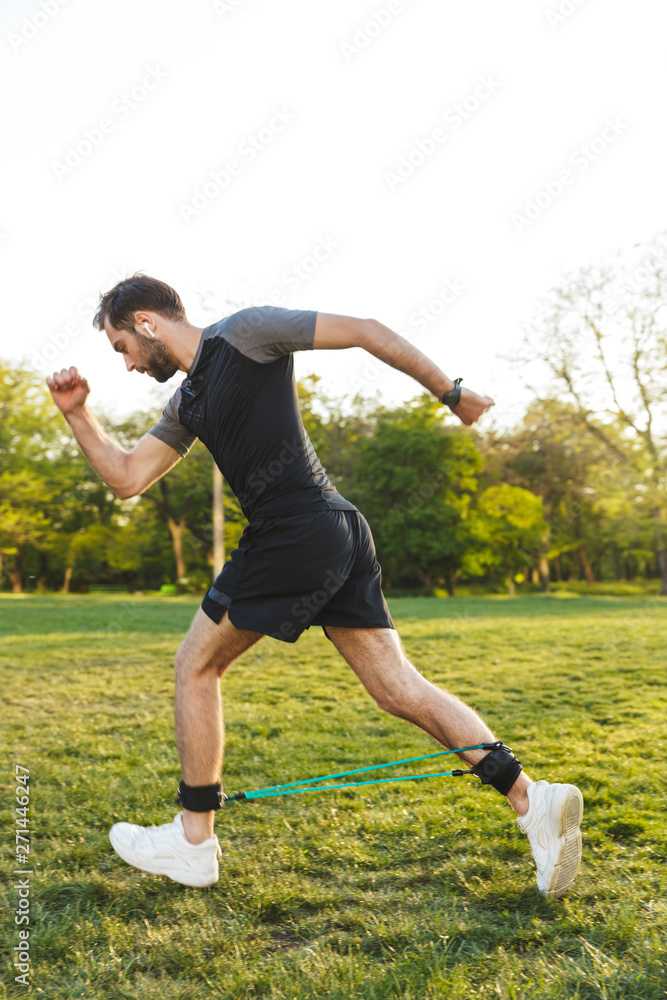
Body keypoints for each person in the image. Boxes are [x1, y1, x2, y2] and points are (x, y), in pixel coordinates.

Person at [46, 274, 583, 897]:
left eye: (122, 348)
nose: (129, 364)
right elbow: (129, 477)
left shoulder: (245, 334)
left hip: (296, 529)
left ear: (145, 322)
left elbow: (364, 331)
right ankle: (531, 799)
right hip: (335, 532)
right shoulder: (188, 401)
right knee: (396, 688)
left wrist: (450, 391)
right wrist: (79, 415)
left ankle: (194, 840)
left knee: (195, 666)